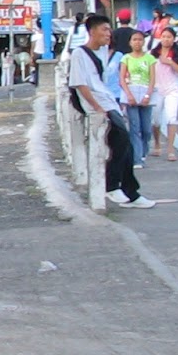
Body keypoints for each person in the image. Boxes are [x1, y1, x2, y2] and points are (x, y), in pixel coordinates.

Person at [68, 12, 154, 208]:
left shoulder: (103, 52)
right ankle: (113, 186)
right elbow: (80, 84)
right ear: (92, 31)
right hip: (98, 105)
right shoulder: (79, 53)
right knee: (122, 139)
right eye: (104, 29)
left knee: (127, 146)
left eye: (109, 29)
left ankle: (131, 193)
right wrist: (98, 108)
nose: (108, 33)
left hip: (108, 102)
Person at [119, 29, 156, 172]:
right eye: (134, 39)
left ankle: (143, 151)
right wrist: (128, 95)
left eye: (140, 39)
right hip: (131, 94)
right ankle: (137, 158)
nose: (137, 42)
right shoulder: (126, 58)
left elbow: (152, 78)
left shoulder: (150, 59)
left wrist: (148, 95)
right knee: (135, 128)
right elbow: (122, 78)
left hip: (145, 93)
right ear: (130, 42)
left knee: (146, 129)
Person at [151, 27, 178, 162]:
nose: (166, 39)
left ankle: (171, 149)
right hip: (156, 89)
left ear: (173, 40)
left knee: (171, 118)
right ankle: (156, 143)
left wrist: (171, 62)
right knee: (155, 119)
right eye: (164, 36)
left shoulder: (176, 55)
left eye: (169, 37)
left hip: (171, 89)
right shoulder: (153, 53)